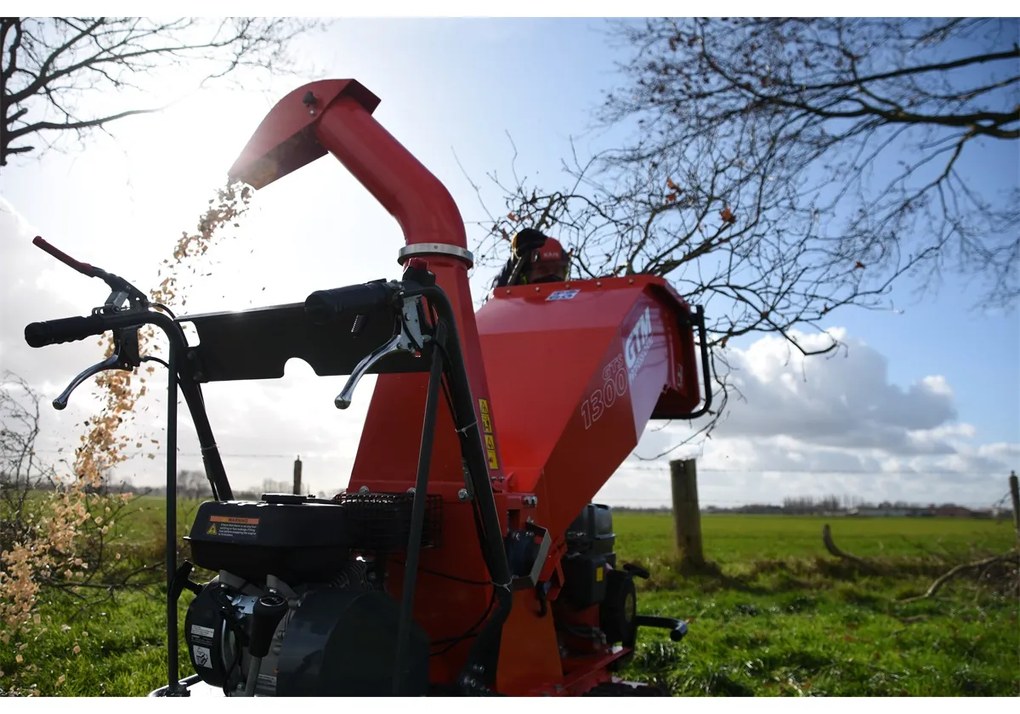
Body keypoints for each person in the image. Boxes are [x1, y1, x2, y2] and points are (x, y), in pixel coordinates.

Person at [492, 228, 570, 288]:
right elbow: (495, 299)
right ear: (526, 274)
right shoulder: (515, 304)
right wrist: (512, 265)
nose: (551, 275)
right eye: (543, 270)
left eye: (556, 270)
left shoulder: (576, 301)